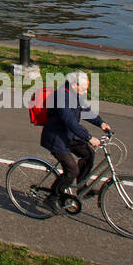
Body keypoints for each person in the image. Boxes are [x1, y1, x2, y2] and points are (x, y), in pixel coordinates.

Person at [40, 71, 112, 210]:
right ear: (74, 85)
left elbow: (86, 111)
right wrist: (89, 137)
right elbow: (70, 121)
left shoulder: (75, 95)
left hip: (69, 135)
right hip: (56, 138)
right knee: (72, 170)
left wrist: (101, 123)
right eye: (84, 89)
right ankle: (52, 197)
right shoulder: (62, 96)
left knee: (88, 154)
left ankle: (81, 188)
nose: (85, 92)